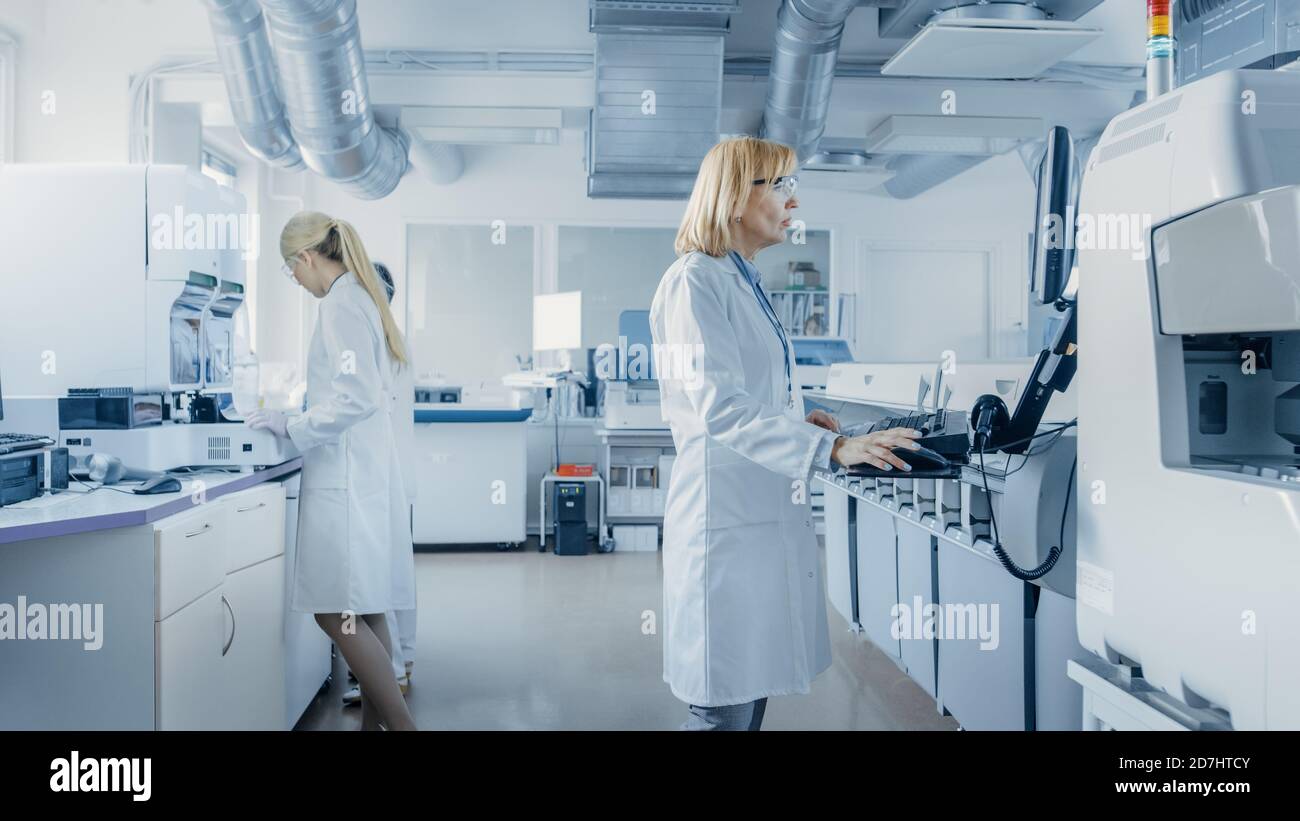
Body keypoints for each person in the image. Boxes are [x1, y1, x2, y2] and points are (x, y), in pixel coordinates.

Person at [649, 136, 922, 731]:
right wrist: (831, 447)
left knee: (747, 698)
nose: (790, 201)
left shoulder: (739, 279)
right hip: (723, 525)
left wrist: (799, 423)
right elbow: (718, 407)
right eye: (777, 186)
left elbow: (745, 396)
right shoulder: (694, 281)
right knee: (722, 709)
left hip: (755, 517)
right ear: (733, 196)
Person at [246, 212, 417, 731]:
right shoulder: (361, 298)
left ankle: (405, 729)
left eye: (289, 269)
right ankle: (375, 728)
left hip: (345, 481)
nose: (294, 280)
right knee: (365, 611)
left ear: (306, 257)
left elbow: (356, 396)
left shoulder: (341, 304)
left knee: (334, 612)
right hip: (360, 476)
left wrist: (291, 425)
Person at [342, 262, 418, 706]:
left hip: (379, 473)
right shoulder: (394, 338)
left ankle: (386, 673)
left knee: (377, 577)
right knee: (397, 572)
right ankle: (402, 663)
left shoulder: (374, 339)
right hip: (397, 472)